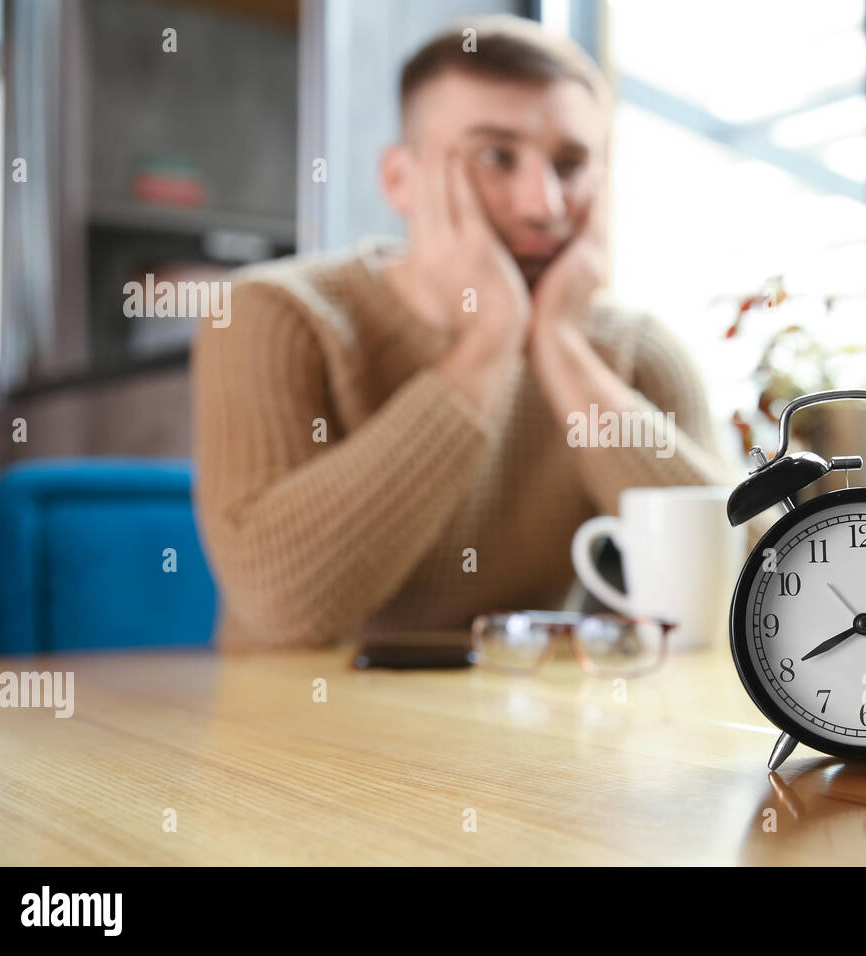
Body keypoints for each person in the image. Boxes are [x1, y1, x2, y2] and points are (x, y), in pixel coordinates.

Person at [190, 15, 747, 649]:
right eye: (496, 157)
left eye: (570, 164)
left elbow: (749, 592)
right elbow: (284, 613)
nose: (545, 206)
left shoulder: (632, 349)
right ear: (401, 179)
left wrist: (562, 351)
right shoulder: (272, 314)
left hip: (528, 732)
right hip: (290, 738)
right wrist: (487, 349)